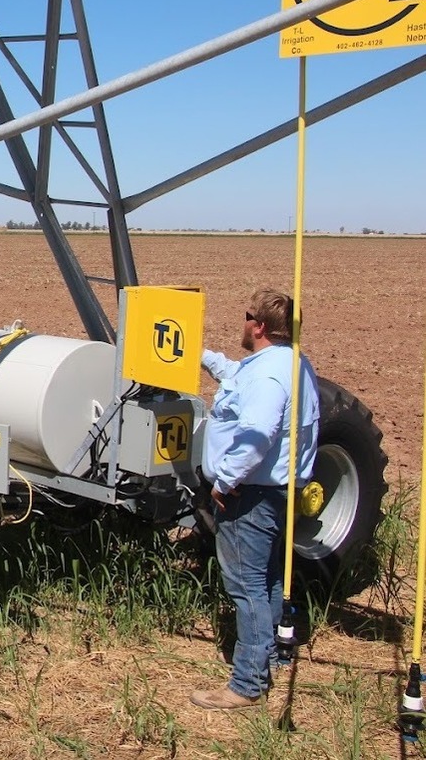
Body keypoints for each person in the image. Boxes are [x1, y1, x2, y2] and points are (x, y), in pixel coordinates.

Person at [190, 289, 320, 711]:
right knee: (267, 579)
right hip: (279, 492)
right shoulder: (289, 364)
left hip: (252, 495)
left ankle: (246, 684)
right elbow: (238, 378)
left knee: (246, 586)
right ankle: (270, 656)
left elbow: (257, 434)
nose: (243, 322)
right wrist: (203, 355)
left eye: (247, 316)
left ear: (259, 326)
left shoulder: (267, 376)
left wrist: (224, 481)